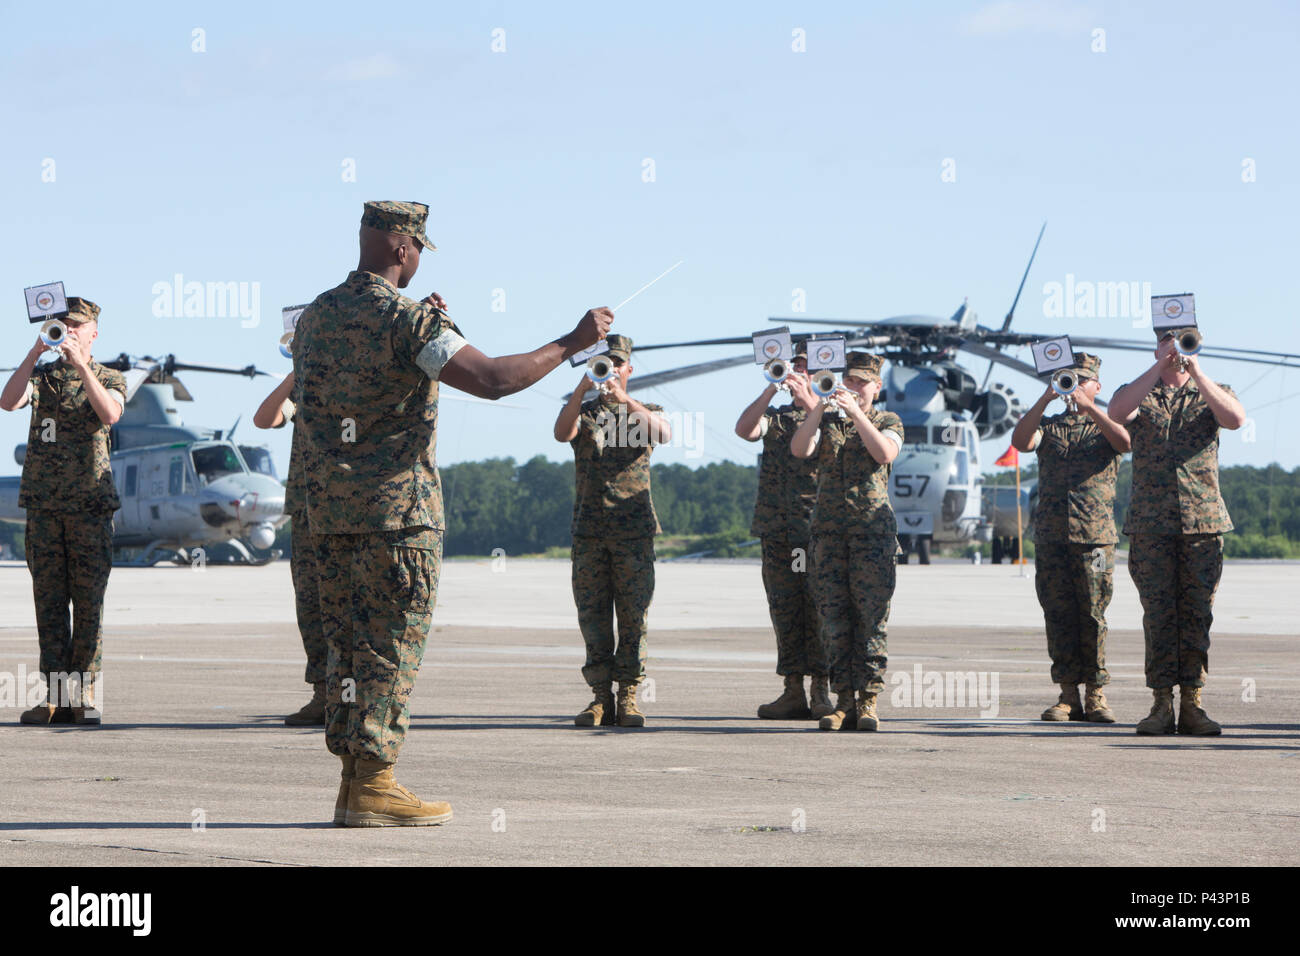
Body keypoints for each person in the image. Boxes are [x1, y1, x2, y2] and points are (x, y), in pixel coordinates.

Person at [295, 200, 612, 825]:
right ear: (403, 249)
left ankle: (353, 784)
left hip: (328, 518)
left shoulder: (314, 318)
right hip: (397, 519)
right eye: (416, 250)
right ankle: (377, 782)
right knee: (388, 650)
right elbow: (494, 379)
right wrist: (573, 341)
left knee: (347, 654)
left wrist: (432, 329)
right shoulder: (407, 321)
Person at [1109, 327, 1245, 735]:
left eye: (1183, 344)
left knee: (1197, 615)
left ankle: (1193, 704)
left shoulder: (1214, 390)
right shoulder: (1139, 390)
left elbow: (1236, 419)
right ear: (1156, 348)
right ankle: (1160, 704)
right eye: (1167, 344)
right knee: (1158, 616)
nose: (1175, 351)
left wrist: (1196, 371)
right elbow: (1117, 412)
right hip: (1151, 526)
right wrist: (1159, 366)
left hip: (1202, 524)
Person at [0, 297, 126, 725]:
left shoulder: (109, 376)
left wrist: (81, 366)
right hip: (45, 507)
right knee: (49, 603)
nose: (69, 331)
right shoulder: (42, 378)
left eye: (77, 326)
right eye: (63, 325)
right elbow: (8, 401)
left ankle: (85, 695)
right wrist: (36, 352)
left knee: (88, 605)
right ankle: (53, 698)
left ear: (94, 332)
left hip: (90, 508)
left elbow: (109, 414)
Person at [553, 335, 670, 728]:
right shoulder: (584, 414)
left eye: (617, 364)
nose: (611, 369)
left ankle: (630, 696)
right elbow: (561, 433)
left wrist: (625, 400)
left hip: (633, 534)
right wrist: (582, 388)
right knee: (593, 616)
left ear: (629, 369)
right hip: (589, 532)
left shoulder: (644, 411)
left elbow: (663, 434)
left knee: (634, 617)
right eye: (604, 363)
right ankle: (600, 697)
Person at [1010, 353, 1130, 723]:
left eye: (1083, 380)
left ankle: (1096, 693)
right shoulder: (1050, 426)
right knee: (1058, 613)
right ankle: (1067, 695)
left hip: (1094, 539)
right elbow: (1021, 440)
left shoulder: (1104, 424)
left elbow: (1125, 443)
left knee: (1093, 614)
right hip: (1052, 537)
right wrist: (1046, 397)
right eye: (1069, 380)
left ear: (1097, 385)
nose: (1075, 387)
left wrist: (1091, 409)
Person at [790, 352, 903, 732]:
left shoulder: (887, 421)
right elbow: (800, 449)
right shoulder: (827, 422)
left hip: (872, 538)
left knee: (871, 621)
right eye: (849, 381)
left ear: (877, 387)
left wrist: (856, 414)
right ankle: (843, 702)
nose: (854, 388)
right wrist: (819, 408)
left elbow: (884, 452)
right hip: (829, 537)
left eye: (861, 382)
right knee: (833, 621)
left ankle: (868, 701)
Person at [734, 342, 832, 720]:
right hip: (777, 529)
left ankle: (821, 688)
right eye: (796, 367)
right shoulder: (774, 417)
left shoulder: (832, 415)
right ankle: (792, 689)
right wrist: (771, 387)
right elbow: (744, 429)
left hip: (816, 528)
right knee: (784, 609)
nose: (798, 374)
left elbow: (828, 437)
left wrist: (813, 400)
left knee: (820, 609)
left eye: (806, 368)